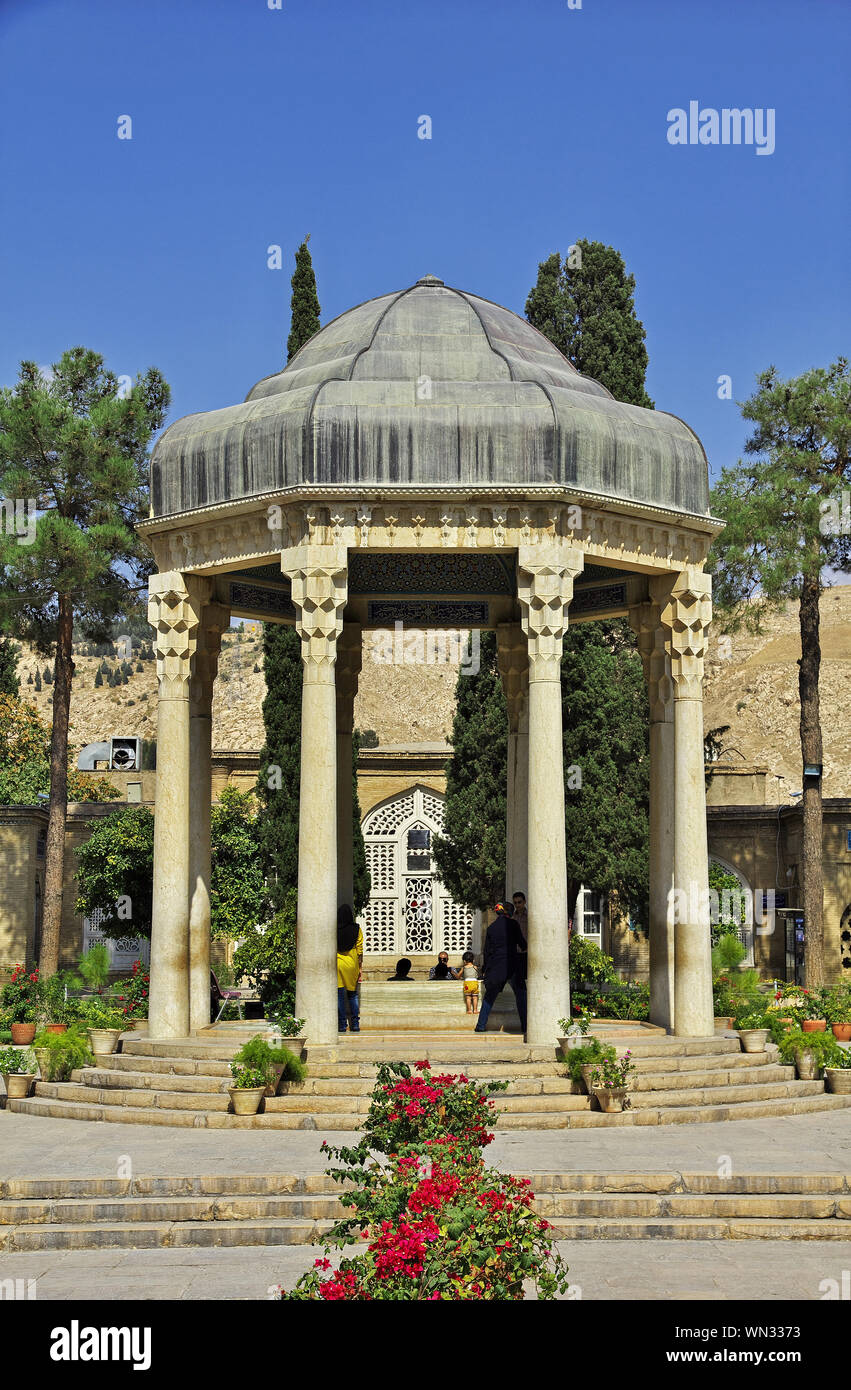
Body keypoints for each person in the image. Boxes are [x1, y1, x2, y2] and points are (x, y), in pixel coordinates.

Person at [475, 901, 524, 1034]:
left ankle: (480, 1026)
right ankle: (525, 1026)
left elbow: (487, 951)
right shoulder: (513, 924)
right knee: (521, 996)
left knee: (489, 997)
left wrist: (485, 970)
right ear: (511, 912)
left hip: (496, 967)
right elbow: (522, 943)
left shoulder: (491, 928)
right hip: (512, 965)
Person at [336, 904, 363, 1033]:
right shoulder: (356, 928)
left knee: (340, 996)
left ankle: (342, 1025)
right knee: (352, 995)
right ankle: (355, 1024)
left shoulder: (333, 929)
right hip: (352, 964)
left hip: (338, 963)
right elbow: (360, 949)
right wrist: (360, 967)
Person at [460, 950, 479, 1015]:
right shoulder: (475, 967)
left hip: (467, 984)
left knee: (468, 997)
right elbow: (477, 975)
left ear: (464, 961)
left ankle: (469, 1010)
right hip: (474, 983)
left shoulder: (464, 968)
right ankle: (475, 1010)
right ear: (473, 960)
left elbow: (459, 975)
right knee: (475, 997)